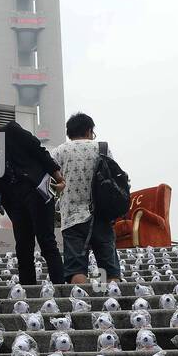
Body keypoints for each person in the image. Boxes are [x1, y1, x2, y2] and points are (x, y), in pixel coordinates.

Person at [0, 114, 65, 286]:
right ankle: (29, 295)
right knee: (23, 250)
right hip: (16, 205)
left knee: (47, 242)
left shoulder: (10, 130)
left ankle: (60, 289)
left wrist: (58, 177)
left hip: (36, 192)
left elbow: (39, 151)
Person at [51, 112, 120, 284]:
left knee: (76, 269)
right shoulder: (102, 148)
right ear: (89, 130)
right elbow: (115, 180)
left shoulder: (58, 152)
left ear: (69, 132)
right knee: (108, 269)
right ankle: (110, 300)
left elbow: (51, 183)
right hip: (102, 216)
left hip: (72, 219)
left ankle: (83, 305)